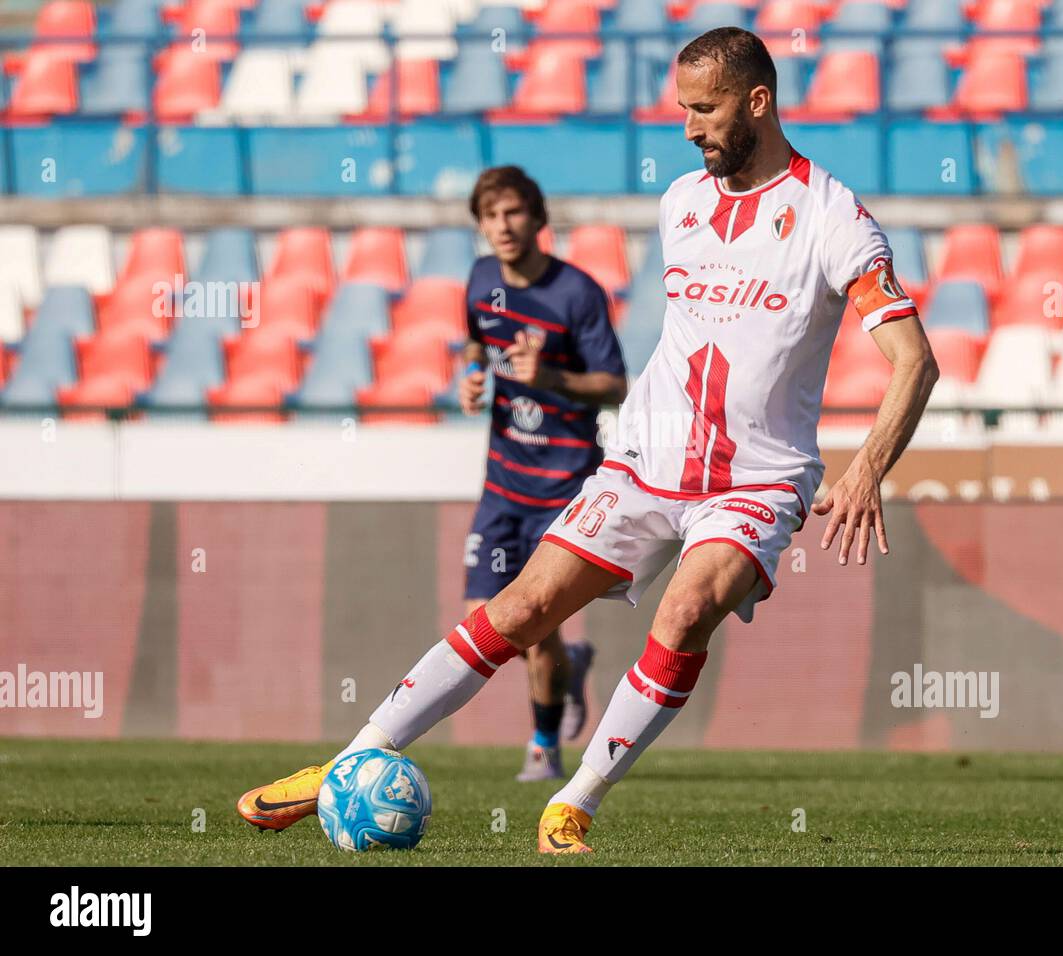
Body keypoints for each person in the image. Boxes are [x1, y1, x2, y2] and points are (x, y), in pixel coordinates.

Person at [237, 27, 939, 851]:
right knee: (520, 610)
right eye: (681, 108)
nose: (688, 127)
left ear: (758, 102)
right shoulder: (681, 205)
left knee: (685, 612)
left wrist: (865, 471)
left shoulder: (833, 218)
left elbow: (915, 362)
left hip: (756, 479)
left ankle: (573, 800)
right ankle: (347, 761)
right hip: (644, 466)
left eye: (704, 109)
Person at [457, 165, 628, 781]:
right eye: (490, 215)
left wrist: (550, 378)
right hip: (503, 482)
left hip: (564, 485)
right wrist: (473, 375)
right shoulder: (479, 281)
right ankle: (570, 665)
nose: (502, 226)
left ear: (537, 220)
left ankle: (543, 746)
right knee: (485, 617)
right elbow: (477, 339)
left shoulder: (576, 293)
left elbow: (614, 385)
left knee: (529, 624)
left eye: (513, 213)